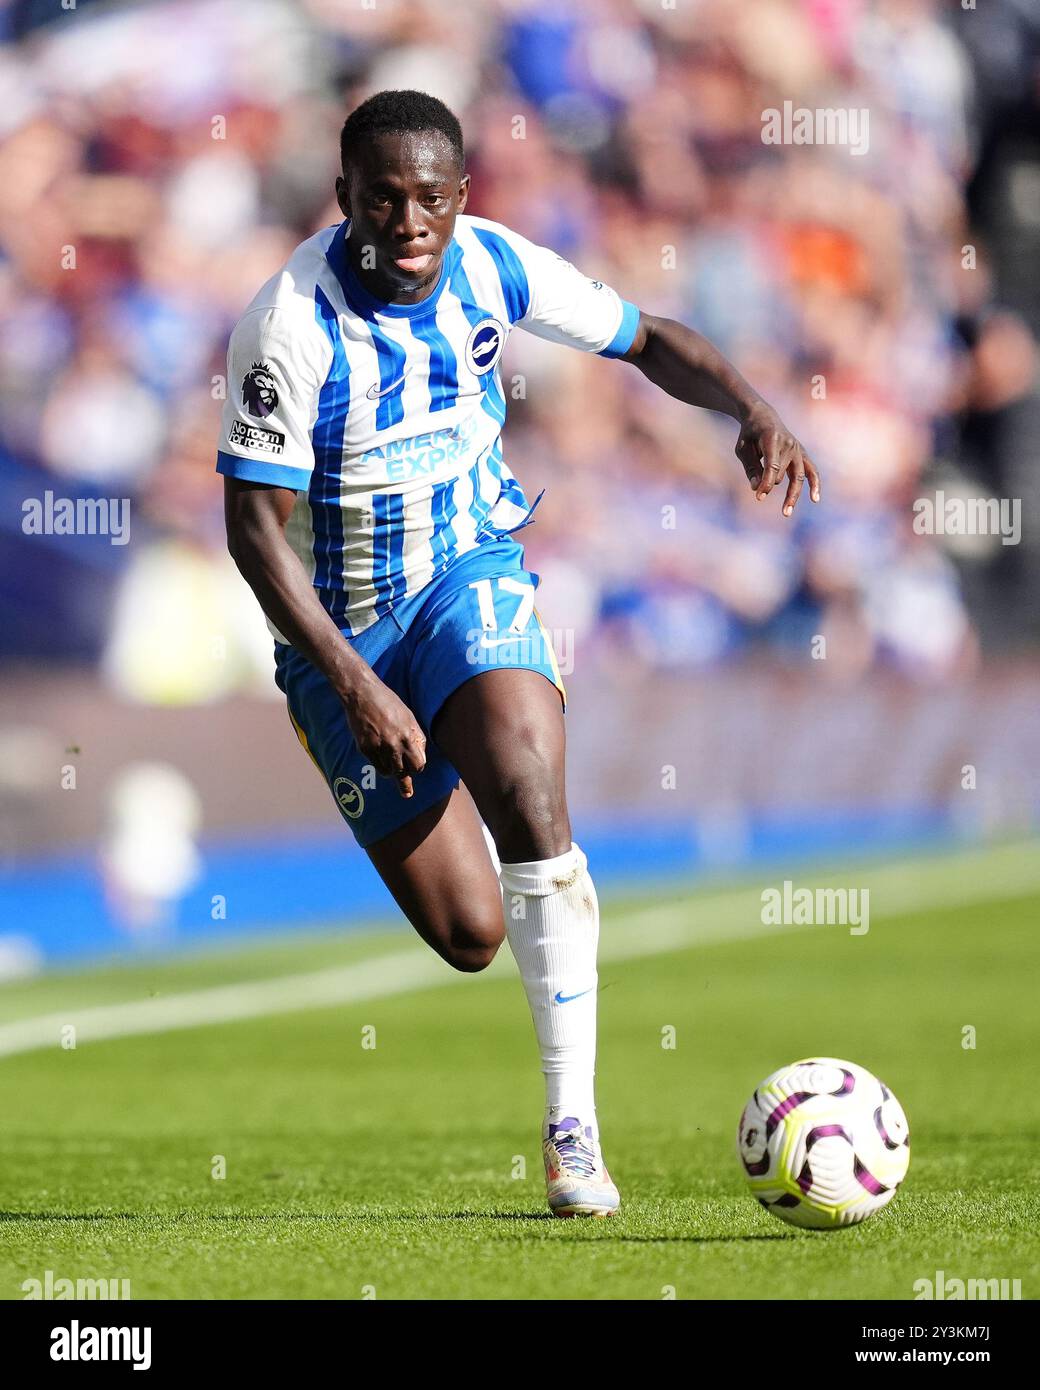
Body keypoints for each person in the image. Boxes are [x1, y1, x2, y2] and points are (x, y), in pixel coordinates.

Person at [219, 90, 820, 1218]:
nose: (408, 223)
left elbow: (647, 339)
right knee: (468, 932)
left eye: (429, 199)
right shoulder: (289, 325)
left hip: (467, 573)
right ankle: (415, 749)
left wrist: (748, 404)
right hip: (337, 635)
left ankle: (571, 1131)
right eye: (382, 199)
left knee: (532, 796)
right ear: (343, 197)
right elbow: (253, 533)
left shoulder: (495, 267)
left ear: (460, 198)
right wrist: (351, 684)